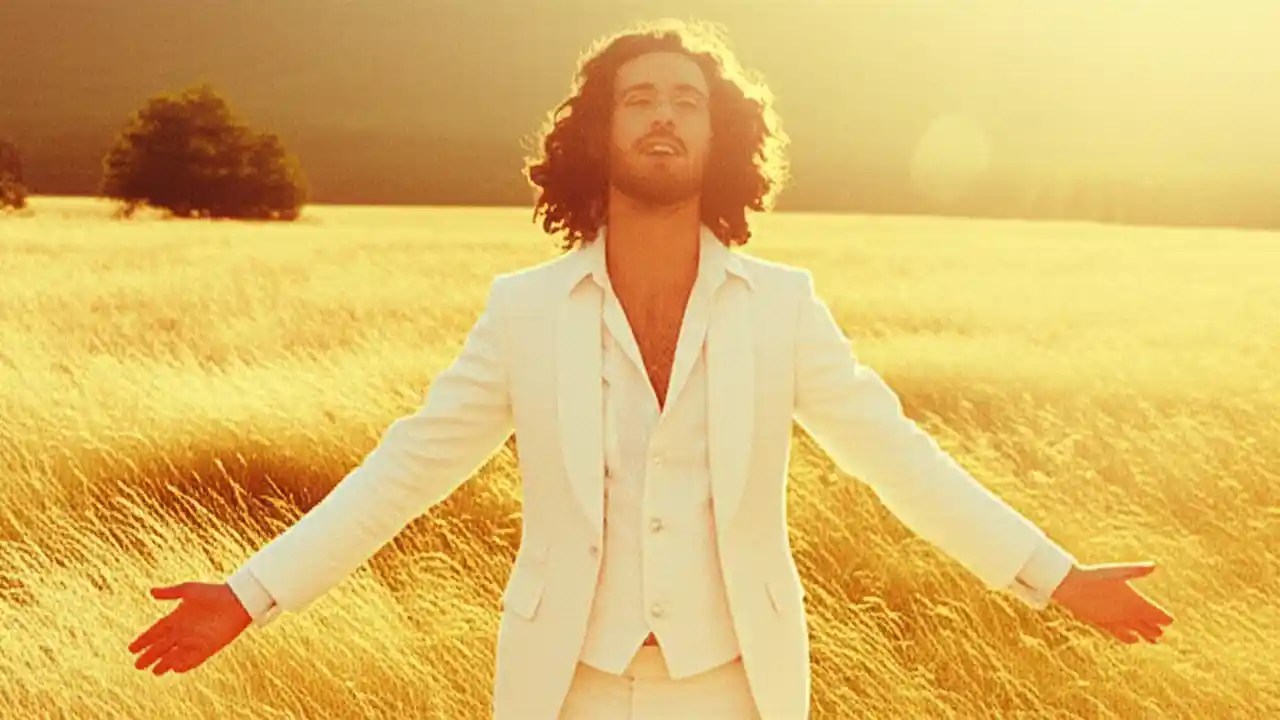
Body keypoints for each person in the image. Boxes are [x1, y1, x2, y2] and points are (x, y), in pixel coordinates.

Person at [127, 18, 1175, 720]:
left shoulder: (783, 308)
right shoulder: (523, 312)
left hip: (735, 684)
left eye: (686, 100)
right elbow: (405, 471)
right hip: (564, 686)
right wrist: (250, 593)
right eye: (638, 99)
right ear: (597, 133)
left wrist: (1052, 578)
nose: (663, 114)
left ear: (721, 139)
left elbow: (899, 462)